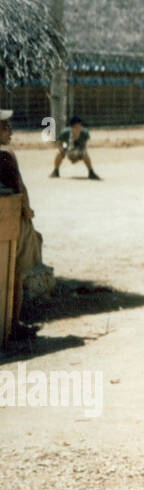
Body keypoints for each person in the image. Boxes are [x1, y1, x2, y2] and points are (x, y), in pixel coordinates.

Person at [0, 110, 44, 338]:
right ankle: (12, 325)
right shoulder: (6, 155)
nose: (11, 131)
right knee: (15, 275)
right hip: (11, 221)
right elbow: (19, 189)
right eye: (6, 126)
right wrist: (27, 211)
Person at [50, 115, 99, 180]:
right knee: (59, 153)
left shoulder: (84, 133)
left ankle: (91, 172)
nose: (78, 129)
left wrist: (77, 156)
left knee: (85, 153)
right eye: (76, 127)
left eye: (80, 127)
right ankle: (56, 171)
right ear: (71, 127)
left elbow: (84, 146)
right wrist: (63, 150)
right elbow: (59, 144)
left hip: (79, 150)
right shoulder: (65, 133)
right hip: (67, 149)